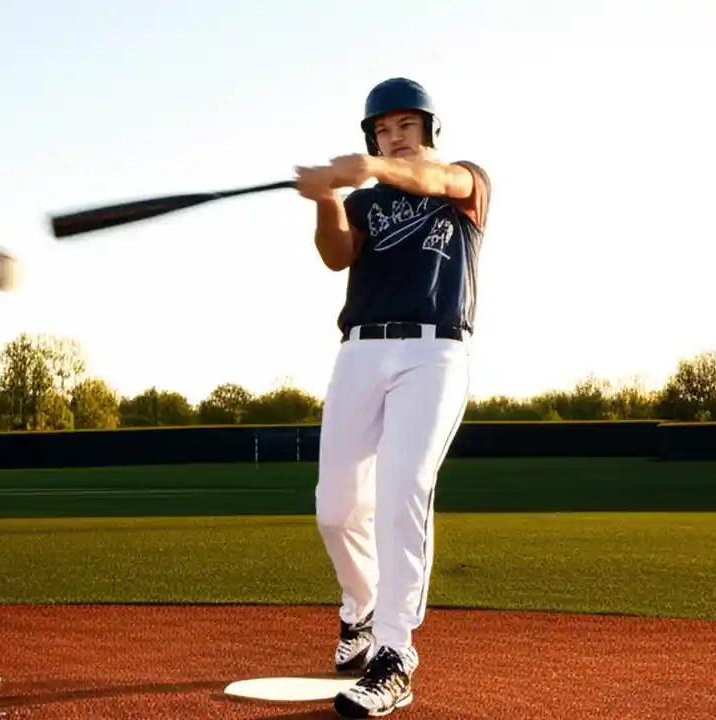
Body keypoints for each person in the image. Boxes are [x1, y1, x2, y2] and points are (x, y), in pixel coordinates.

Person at [293, 77, 491, 718]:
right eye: (382, 130)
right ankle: (361, 610)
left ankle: (393, 655)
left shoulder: (466, 180)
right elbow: (334, 255)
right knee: (335, 508)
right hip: (360, 351)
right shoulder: (366, 203)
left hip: (435, 351)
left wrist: (369, 167)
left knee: (405, 485)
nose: (393, 136)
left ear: (429, 131)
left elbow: (438, 183)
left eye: (405, 126)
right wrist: (328, 196)